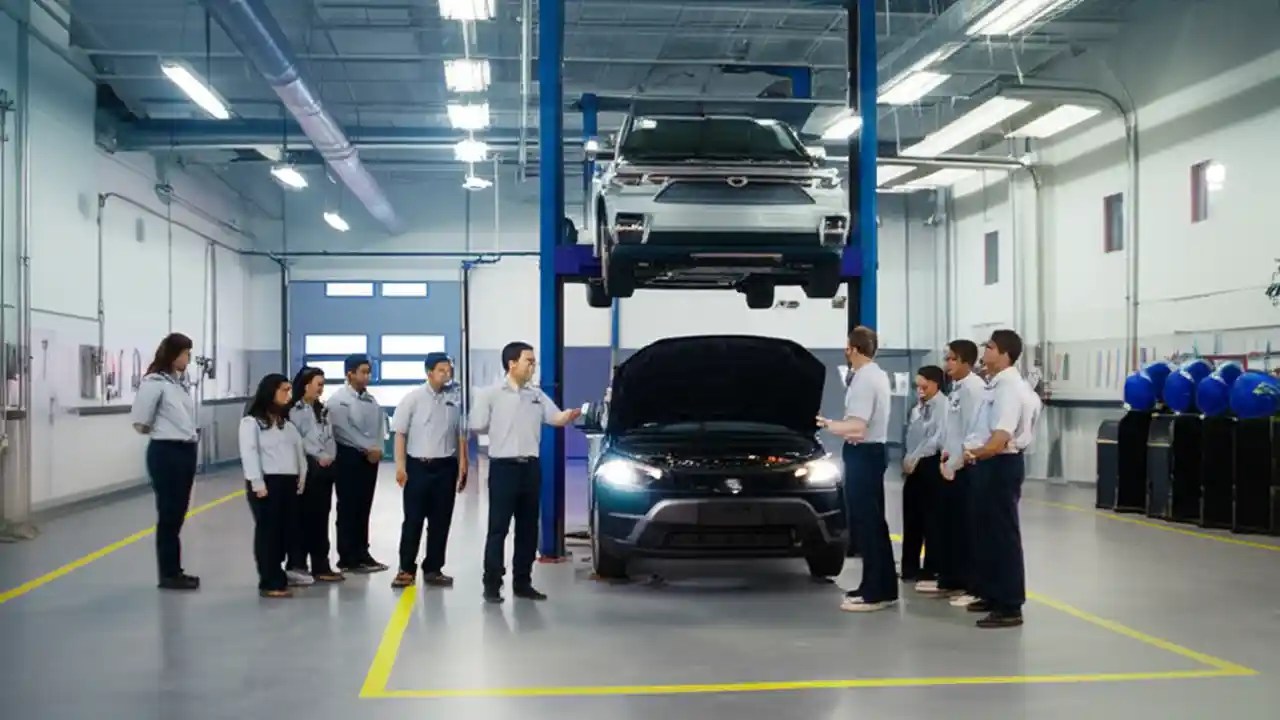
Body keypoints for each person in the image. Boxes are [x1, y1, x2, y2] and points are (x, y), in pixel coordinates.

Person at [469, 342, 581, 603]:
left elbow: (555, 418)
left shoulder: (536, 395)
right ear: (512, 364)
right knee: (498, 529)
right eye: (528, 361)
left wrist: (571, 415)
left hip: (530, 469)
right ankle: (492, 584)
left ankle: (523, 582)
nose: (533, 366)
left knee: (528, 528)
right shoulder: (490, 394)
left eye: (534, 362)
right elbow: (477, 424)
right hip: (503, 468)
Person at [817, 326, 896, 613]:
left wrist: (826, 424)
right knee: (873, 522)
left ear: (852, 349)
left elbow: (857, 427)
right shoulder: (876, 375)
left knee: (867, 523)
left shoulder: (864, 379)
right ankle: (880, 584)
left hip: (864, 453)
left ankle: (876, 592)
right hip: (872, 453)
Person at [962, 329, 1035, 629]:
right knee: (986, 533)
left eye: (990, 347)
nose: (985, 352)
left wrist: (975, 454)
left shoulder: (1009, 388)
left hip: (999, 462)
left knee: (1002, 535)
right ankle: (991, 592)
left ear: (1005, 354)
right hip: (987, 462)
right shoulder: (994, 384)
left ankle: (1009, 604)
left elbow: (1000, 436)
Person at [390, 353, 469, 589]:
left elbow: (461, 433)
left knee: (441, 521)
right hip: (418, 467)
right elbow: (400, 434)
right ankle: (406, 569)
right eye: (441, 370)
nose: (447, 374)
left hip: (446, 467)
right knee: (413, 520)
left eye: (449, 370)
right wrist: (400, 466)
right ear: (429, 372)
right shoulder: (413, 399)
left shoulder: (455, 401)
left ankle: (433, 568)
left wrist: (463, 464)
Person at [130, 332, 201, 591]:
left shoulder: (179, 384)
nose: (188, 359)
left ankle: (175, 570)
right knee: (169, 515)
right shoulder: (154, 382)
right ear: (173, 355)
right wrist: (165, 432)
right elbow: (140, 422)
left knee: (178, 513)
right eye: (185, 354)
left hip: (185, 451)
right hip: (167, 452)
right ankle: (168, 574)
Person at [240, 373, 308, 599]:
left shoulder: (286, 425)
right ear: (270, 392)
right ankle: (269, 580)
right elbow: (249, 453)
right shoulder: (252, 423)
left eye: (289, 390)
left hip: (288, 483)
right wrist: (257, 482)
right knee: (268, 532)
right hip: (267, 483)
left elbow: (298, 452)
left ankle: (279, 574)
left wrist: (301, 477)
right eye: (284, 390)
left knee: (285, 531)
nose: (289, 395)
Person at [935, 339, 987, 605]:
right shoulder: (956, 388)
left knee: (969, 529)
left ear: (967, 361)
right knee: (952, 526)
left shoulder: (974, 389)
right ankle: (954, 578)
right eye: (946, 358)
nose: (947, 364)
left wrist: (956, 462)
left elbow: (972, 431)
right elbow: (951, 429)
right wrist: (946, 456)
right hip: (951, 464)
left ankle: (974, 585)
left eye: (952, 359)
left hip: (965, 466)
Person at [329, 354, 389, 574]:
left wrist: (378, 448)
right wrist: (367, 448)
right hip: (349, 457)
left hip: (370, 458)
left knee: (364, 507)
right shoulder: (338, 400)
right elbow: (343, 431)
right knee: (348, 507)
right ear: (350, 374)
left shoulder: (371, 400)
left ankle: (363, 552)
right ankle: (347, 557)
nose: (367, 376)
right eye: (363, 372)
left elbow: (380, 427)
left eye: (369, 372)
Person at [287, 366, 345, 584]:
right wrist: (317, 456)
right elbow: (297, 440)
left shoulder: (322, 410)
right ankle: (297, 565)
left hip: (325, 469)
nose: (321, 388)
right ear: (305, 385)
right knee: (302, 519)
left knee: (321, 519)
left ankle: (321, 565)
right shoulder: (294, 411)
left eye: (323, 384)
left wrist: (329, 456)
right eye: (318, 384)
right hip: (306, 468)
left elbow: (329, 437)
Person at [899, 365, 948, 584]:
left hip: (930, 463)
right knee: (911, 517)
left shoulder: (944, 407)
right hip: (913, 465)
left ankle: (932, 567)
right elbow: (911, 435)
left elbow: (937, 438)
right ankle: (909, 567)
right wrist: (908, 458)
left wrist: (916, 457)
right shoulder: (917, 408)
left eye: (924, 386)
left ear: (936, 384)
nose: (920, 391)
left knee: (932, 519)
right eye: (917, 387)